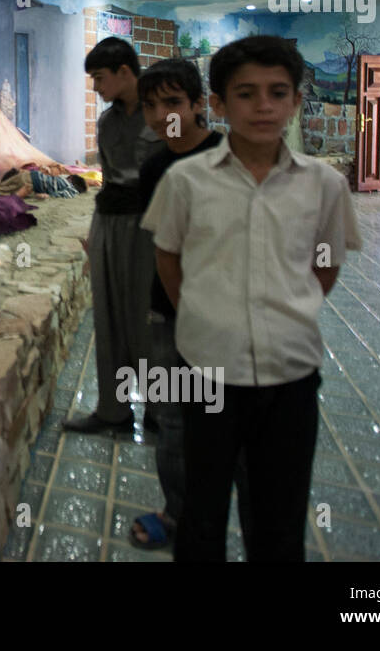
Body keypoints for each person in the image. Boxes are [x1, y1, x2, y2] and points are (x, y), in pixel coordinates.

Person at [142, 36, 361, 562]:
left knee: (279, 520)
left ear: (294, 100)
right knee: (201, 511)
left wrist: (286, 308)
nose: (263, 106)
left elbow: (326, 264)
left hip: (291, 376)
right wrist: (206, 316)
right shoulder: (186, 181)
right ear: (217, 104)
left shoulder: (325, 185)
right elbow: (168, 260)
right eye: (245, 93)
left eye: (277, 92)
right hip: (207, 374)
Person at [128, 58, 243, 550]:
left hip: (230, 317)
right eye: (150, 105)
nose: (160, 116)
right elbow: (162, 248)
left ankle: (216, 515)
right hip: (168, 312)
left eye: (173, 102)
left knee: (227, 422)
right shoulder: (154, 167)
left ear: (199, 104)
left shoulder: (231, 156)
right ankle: (177, 515)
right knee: (171, 421)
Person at [65, 38, 164, 436]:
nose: (96, 88)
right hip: (109, 224)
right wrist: (96, 236)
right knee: (108, 318)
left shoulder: (162, 114)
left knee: (148, 320)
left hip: (150, 226)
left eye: (100, 78)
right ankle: (113, 410)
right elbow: (107, 181)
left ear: (126, 72)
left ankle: (161, 412)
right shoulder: (107, 122)